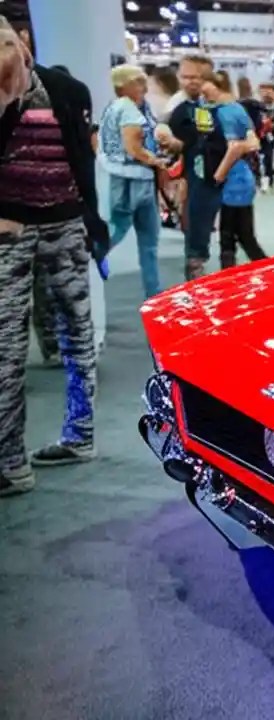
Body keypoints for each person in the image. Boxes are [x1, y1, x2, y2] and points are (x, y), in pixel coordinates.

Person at [0, 17, 110, 495]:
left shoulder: (67, 90)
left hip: (65, 227)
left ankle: (79, 437)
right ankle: (10, 463)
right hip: (9, 233)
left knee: (77, 338)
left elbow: (81, 162)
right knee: (6, 350)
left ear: (22, 43)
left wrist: (92, 222)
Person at [99, 64, 165, 298]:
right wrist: (156, 161)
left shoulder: (130, 108)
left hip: (137, 177)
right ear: (123, 85)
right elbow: (133, 147)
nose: (144, 86)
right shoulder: (127, 109)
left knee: (148, 237)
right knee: (120, 228)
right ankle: (91, 256)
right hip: (131, 178)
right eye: (138, 81)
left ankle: (154, 291)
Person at [156, 54, 221, 280]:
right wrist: (172, 145)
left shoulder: (222, 105)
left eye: (198, 77)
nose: (191, 82)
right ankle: (196, 269)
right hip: (197, 177)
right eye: (186, 77)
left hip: (228, 177)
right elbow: (175, 144)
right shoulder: (179, 108)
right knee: (197, 224)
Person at [204, 71, 266, 269]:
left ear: (216, 85)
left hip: (233, 179)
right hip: (241, 177)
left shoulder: (224, 112)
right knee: (241, 236)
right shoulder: (237, 109)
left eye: (206, 88)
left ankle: (266, 274)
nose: (204, 94)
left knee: (231, 237)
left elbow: (235, 147)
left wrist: (218, 176)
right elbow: (253, 142)